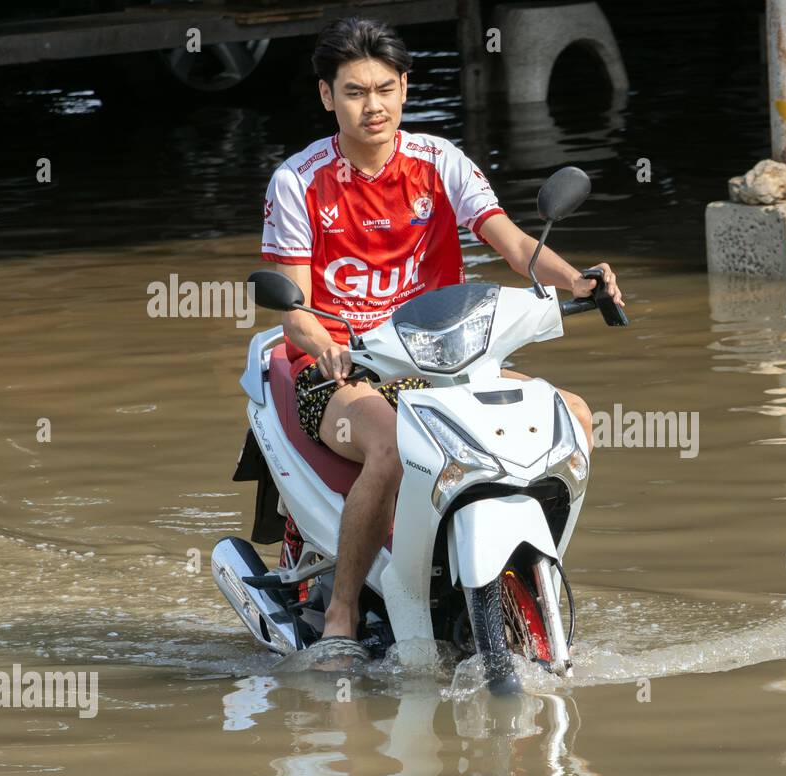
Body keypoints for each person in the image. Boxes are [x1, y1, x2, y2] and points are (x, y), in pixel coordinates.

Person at [260, 16, 623, 650]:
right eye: (353, 91)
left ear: (404, 87)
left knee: (575, 418)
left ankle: (535, 566)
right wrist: (326, 346)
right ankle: (343, 612)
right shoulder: (298, 181)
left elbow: (511, 242)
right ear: (328, 97)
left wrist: (575, 280)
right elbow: (292, 307)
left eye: (384, 88)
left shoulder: (439, 161)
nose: (372, 106)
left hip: (446, 362)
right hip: (347, 369)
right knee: (392, 449)